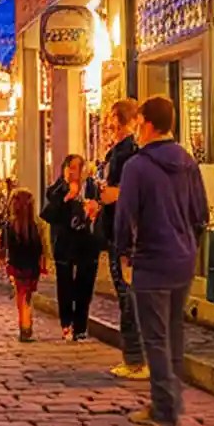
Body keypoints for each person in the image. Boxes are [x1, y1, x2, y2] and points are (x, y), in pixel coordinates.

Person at [116, 95, 209, 426]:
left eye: (139, 124)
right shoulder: (187, 161)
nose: (137, 130)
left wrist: (124, 253)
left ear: (150, 125)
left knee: (155, 337)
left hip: (153, 260)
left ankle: (164, 411)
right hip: (182, 259)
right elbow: (201, 213)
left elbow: (125, 216)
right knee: (173, 333)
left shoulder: (136, 167)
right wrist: (189, 243)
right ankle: (165, 400)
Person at [95, 99, 148, 380]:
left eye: (114, 119)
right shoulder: (120, 153)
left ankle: (136, 359)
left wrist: (110, 194)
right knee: (128, 293)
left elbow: (126, 191)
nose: (109, 125)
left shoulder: (126, 154)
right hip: (119, 228)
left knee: (128, 294)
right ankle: (137, 357)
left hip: (123, 231)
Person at [40, 154, 103, 342]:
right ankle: (66, 323)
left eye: (77, 167)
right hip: (65, 243)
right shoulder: (56, 189)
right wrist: (67, 197)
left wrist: (95, 207)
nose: (74, 171)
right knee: (65, 286)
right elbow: (49, 214)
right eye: (70, 166)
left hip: (87, 243)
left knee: (84, 286)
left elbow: (102, 207)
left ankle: (81, 327)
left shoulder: (92, 187)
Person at [0, 188, 52, 342]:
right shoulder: (38, 225)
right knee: (26, 295)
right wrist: (45, 261)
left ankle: (25, 324)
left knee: (21, 294)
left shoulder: (10, 226)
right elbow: (44, 246)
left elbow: (4, 247)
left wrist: (3, 260)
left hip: (16, 266)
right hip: (32, 267)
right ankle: (26, 324)